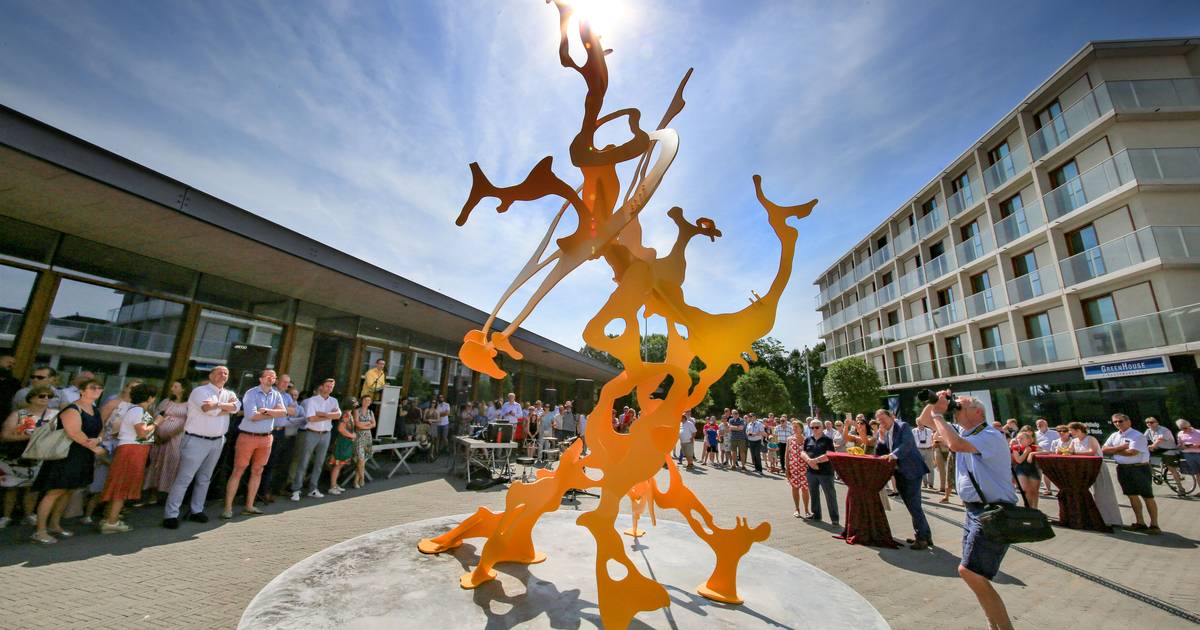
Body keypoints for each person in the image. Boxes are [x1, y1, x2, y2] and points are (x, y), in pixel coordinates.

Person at [916, 391, 1016, 630]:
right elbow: (923, 422)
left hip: (994, 512)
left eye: (961, 405)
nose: (956, 407)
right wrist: (935, 403)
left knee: (969, 571)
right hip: (975, 511)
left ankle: (1004, 627)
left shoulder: (990, 435)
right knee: (975, 573)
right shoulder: (964, 431)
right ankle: (995, 624)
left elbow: (955, 445)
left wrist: (940, 413)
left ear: (978, 412)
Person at [163, 366, 241, 529]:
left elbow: (237, 407)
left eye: (226, 373)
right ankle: (171, 514)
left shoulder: (230, 393)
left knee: (205, 478)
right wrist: (227, 408)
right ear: (211, 375)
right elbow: (207, 410)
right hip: (196, 440)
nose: (223, 375)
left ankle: (197, 510)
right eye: (219, 372)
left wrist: (218, 405)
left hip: (217, 441)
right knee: (185, 478)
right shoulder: (200, 391)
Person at [31, 378, 106, 544]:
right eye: (92, 387)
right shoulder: (72, 408)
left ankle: (54, 525)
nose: (96, 390)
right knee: (54, 491)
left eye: (100, 388)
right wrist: (94, 447)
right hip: (66, 455)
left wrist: (98, 440)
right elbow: (74, 433)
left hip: (82, 455)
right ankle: (40, 530)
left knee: (68, 490)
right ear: (82, 390)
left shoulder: (95, 409)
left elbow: (101, 430)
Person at [221, 370, 287, 519]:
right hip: (248, 436)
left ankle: (249, 505)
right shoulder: (251, 393)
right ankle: (227, 508)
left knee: (258, 471)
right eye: (268, 376)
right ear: (261, 379)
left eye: (273, 377)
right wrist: (272, 413)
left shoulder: (276, 394)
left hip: (266, 438)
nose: (271, 379)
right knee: (239, 470)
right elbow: (252, 415)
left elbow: (283, 413)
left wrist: (265, 411)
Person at [99, 383, 160, 534]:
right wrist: (157, 422)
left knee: (121, 483)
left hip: (132, 449)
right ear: (151, 398)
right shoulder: (138, 411)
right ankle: (111, 521)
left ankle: (110, 517)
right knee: (123, 484)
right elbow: (142, 433)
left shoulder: (133, 410)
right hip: (133, 450)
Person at [84, 378, 141, 524]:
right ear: (126, 387)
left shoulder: (138, 407)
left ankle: (109, 514)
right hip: (107, 443)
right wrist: (100, 440)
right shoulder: (113, 403)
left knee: (117, 482)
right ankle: (88, 514)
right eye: (132, 387)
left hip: (125, 446)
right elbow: (100, 422)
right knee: (100, 480)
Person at [0, 385, 57, 528]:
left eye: (49, 396)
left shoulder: (54, 414)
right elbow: (5, 435)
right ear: (31, 398)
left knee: (33, 488)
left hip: (42, 456)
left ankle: (29, 514)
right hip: (17, 456)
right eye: (41, 396)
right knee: (12, 487)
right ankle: (6, 516)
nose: (45, 399)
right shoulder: (20, 414)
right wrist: (28, 435)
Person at [875, 409, 932, 549]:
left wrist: (892, 455)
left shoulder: (903, 426)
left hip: (911, 471)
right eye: (879, 421)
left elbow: (906, 445)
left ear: (891, 417)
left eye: (884, 420)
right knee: (912, 506)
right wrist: (881, 439)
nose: (882, 423)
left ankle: (922, 539)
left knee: (914, 506)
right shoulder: (885, 432)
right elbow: (880, 453)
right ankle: (925, 535)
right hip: (899, 473)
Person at [1102, 413, 1160, 534]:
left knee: (1147, 497)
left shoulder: (1137, 435)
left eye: (1120, 421)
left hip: (1139, 469)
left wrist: (1114, 450)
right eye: (1115, 422)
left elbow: (1132, 452)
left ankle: (1155, 525)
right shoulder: (1114, 435)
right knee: (1131, 495)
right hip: (1123, 469)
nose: (1118, 424)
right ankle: (1140, 522)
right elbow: (1104, 450)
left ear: (1128, 421)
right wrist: (1121, 448)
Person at [290, 379, 341, 501]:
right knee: (304, 461)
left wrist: (322, 414)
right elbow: (311, 418)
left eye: (331, 387)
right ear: (322, 387)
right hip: (312, 433)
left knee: (319, 463)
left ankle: (313, 489)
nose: (329, 388)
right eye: (327, 386)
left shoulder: (334, 401)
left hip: (326, 434)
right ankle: (296, 489)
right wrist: (329, 415)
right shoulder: (312, 401)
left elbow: (338, 415)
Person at [142, 380, 188, 507]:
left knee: (171, 463)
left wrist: (170, 434)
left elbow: (187, 422)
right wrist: (156, 433)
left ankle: (166, 494)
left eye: (176, 386)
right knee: (156, 462)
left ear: (183, 389)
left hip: (176, 439)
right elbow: (156, 415)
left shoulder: (188, 405)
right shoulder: (166, 401)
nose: (172, 388)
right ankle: (152, 493)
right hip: (158, 437)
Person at [1066, 422, 1122, 526]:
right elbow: (1069, 451)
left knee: (1102, 492)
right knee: (1088, 493)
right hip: (1084, 469)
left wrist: (1074, 453)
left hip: (1097, 467)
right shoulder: (1074, 441)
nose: (1070, 433)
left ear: (1078, 430)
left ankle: (1108, 519)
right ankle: (1091, 517)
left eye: (1071, 431)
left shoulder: (1091, 439)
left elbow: (1092, 451)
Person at [261, 374, 302, 503]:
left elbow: (295, 412)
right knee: (266, 463)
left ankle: (272, 489)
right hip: (269, 431)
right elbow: (267, 410)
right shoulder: (270, 393)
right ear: (277, 381)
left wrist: (281, 410)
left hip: (281, 432)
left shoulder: (287, 396)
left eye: (287, 383)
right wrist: (285, 410)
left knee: (278, 462)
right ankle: (263, 492)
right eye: (283, 382)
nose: (285, 385)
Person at [802, 420, 837, 523]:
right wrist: (809, 461)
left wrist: (815, 461)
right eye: (812, 427)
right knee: (814, 494)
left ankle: (834, 519)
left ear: (822, 427)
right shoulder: (808, 439)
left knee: (830, 495)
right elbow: (803, 452)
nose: (814, 429)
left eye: (816, 427)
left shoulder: (828, 440)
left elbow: (829, 455)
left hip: (825, 472)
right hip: (811, 472)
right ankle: (816, 515)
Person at [1144, 417, 1183, 495]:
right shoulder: (1149, 431)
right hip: (1159, 450)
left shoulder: (1164, 430)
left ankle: (1181, 489)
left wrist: (1152, 446)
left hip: (1169, 451)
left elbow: (1159, 440)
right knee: (1145, 458)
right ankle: (1159, 471)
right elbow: (1142, 439)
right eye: (1147, 422)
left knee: (1172, 469)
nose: (1149, 424)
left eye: (1151, 422)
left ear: (1157, 422)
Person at [327, 398, 358, 495]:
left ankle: (335, 484)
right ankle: (332, 486)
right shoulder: (346, 415)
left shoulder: (349, 414)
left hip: (345, 442)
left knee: (340, 465)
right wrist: (351, 435)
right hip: (342, 442)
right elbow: (341, 429)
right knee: (338, 465)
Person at [785, 419, 811, 519]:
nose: (794, 429)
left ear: (801, 428)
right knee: (795, 488)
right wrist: (787, 469)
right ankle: (797, 509)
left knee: (805, 489)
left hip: (805, 469)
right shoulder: (790, 439)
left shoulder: (807, 440)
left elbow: (810, 454)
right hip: (793, 468)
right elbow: (787, 455)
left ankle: (807, 510)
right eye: (793, 427)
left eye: (796, 427)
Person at [1010, 430, 1040, 510]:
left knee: (1034, 491)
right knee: (1026, 490)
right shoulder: (1016, 448)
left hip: (1033, 470)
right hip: (1021, 470)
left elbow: (1047, 452)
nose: (1019, 440)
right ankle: (1028, 508)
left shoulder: (1034, 447)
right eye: (1018, 438)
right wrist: (1027, 452)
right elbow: (1019, 460)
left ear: (1028, 439)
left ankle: (1034, 509)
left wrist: (1032, 453)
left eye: (1021, 438)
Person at [352, 396, 377, 489]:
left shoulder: (370, 412)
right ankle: (362, 478)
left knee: (362, 461)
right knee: (361, 459)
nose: (367, 402)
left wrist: (364, 425)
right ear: (361, 401)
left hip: (367, 437)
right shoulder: (356, 411)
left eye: (369, 400)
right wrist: (368, 424)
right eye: (365, 400)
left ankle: (355, 481)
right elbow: (356, 424)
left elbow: (374, 424)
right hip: (359, 437)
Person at [1033, 419, 1059, 496]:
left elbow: (1060, 442)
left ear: (1046, 425)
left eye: (1041, 424)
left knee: (1056, 473)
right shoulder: (1035, 434)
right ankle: (1048, 490)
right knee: (1044, 473)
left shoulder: (1055, 433)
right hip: (1040, 455)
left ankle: (1061, 490)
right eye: (1038, 424)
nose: (1039, 426)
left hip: (1053, 455)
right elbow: (1033, 444)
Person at [1176, 419, 1200, 492]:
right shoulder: (1180, 433)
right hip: (1188, 455)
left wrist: (1194, 445)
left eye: (1185, 428)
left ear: (1189, 425)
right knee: (1197, 473)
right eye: (1181, 428)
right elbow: (1179, 444)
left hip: (1198, 453)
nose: (1184, 430)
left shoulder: (1198, 432)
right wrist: (1181, 446)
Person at [913, 420, 936, 489]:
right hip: (919, 450)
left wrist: (933, 446)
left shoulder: (929, 430)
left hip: (928, 449)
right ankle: (924, 483)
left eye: (921, 422)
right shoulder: (913, 431)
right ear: (916, 423)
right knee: (921, 467)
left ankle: (931, 484)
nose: (920, 423)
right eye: (918, 422)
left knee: (930, 467)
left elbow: (934, 439)